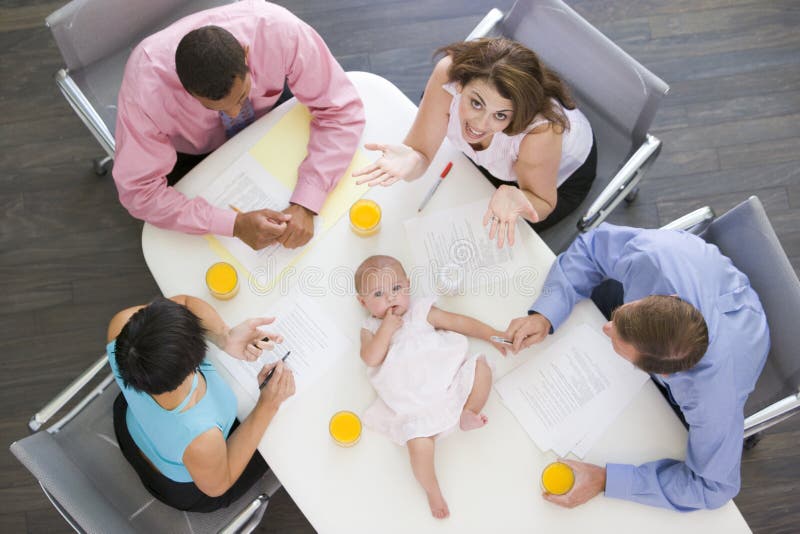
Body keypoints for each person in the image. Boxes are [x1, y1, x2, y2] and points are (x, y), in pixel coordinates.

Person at [504, 223, 770, 512]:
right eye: (619, 316)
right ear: (669, 298)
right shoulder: (654, 256)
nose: (607, 327)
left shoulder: (711, 398)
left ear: (663, 375)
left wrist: (606, 479)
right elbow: (591, 249)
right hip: (694, 273)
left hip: (742, 341)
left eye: (618, 343)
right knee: (604, 297)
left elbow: (713, 487)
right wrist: (546, 313)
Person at [113, 0, 365, 250]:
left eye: (241, 96)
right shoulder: (145, 92)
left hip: (270, 113)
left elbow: (340, 109)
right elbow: (140, 193)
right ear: (186, 91)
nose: (233, 113)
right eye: (216, 107)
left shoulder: (278, 29)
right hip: (195, 152)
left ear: (246, 54)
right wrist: (233, 224)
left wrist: (307, 201)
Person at [353, 38, 596, 247]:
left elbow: (543, 203)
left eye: (501, 115)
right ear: (459, 85)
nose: (480, 124)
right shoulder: (448, 74)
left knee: (483, 239)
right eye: (476, 103)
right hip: (504, 164)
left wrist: (520, 200)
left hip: (557, 181)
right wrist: (414, 157)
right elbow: (421, 154)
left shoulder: (540, 132)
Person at [106, 295, 295, 512]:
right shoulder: (199, 435)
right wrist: (267, 404)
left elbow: (185, 303)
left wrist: (226, 336)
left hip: (133, 425)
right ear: (192, 362)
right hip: (190, 483)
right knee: (276, 441)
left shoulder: (122, 325)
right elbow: (218, 485)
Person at [355, 255, 509, 518]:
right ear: (363, 302)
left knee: (481, 368)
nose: (391, 298)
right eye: (379, 293)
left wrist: (492, 334)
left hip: (447, 383)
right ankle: (432, 489)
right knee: (418, 444)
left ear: (408, 286)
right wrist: (386, 330)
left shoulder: (421, 311)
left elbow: (460, 322)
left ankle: (468, 412)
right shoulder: (371, 328)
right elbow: (371, 357)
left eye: (396, 289)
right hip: (413, 405)